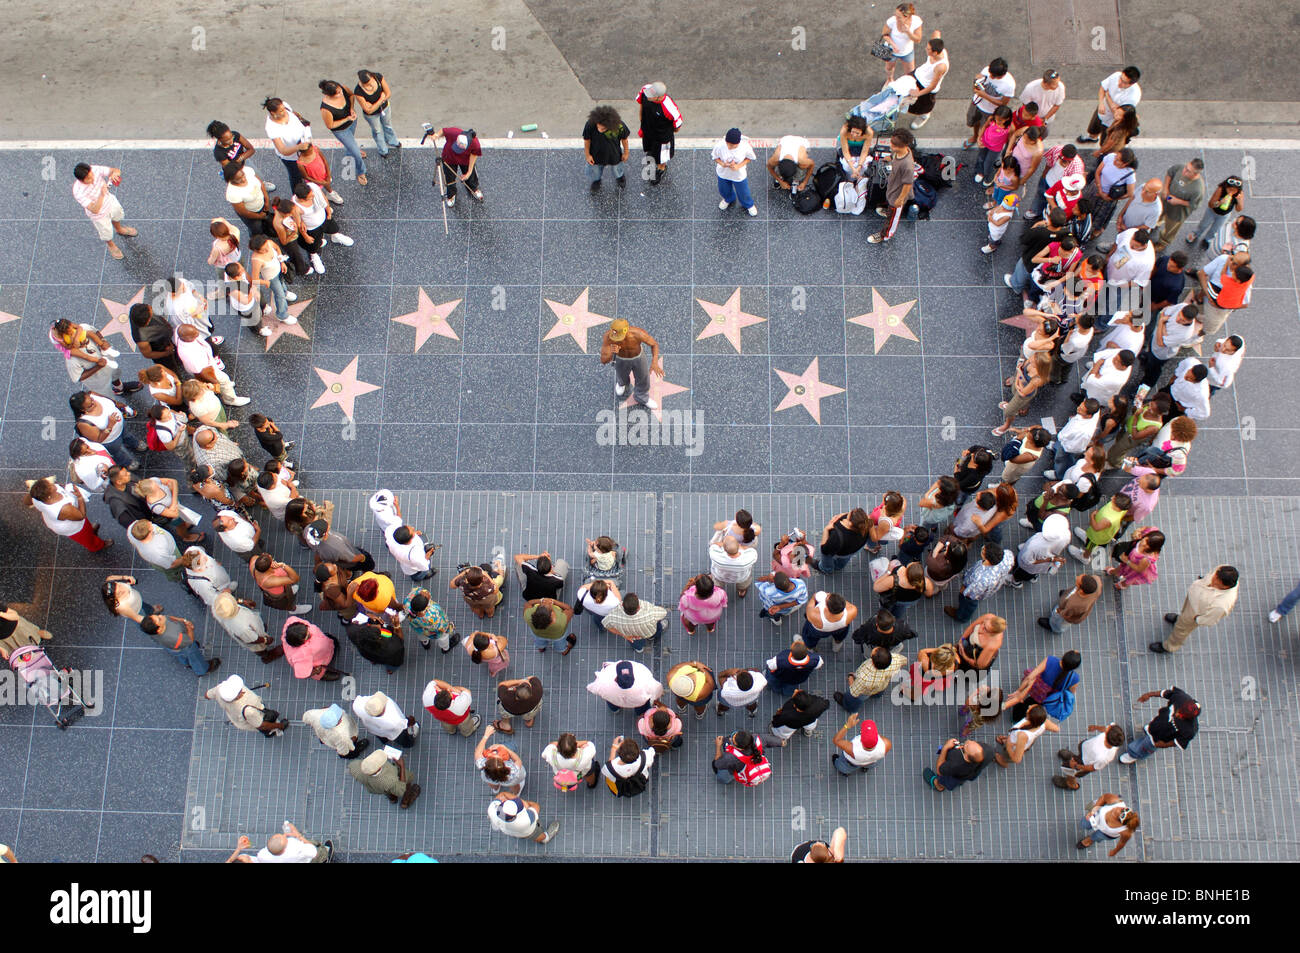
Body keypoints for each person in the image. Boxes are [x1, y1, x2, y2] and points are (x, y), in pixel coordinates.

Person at [1151, 565, 1239, 655]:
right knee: (1183, 614)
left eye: (1217, 581)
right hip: (1193, 598)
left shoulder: (1221, 605)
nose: (1213, 579)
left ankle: (1170, 646)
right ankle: (1179, 619)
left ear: (1225, 587)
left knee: (1181, 631)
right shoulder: (1222, 570)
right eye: (1215, 576)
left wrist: (1196, 619)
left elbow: (1209, 620)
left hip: (1195, 613)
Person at [27, 478, 112, 553]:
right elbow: (81, 516)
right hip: (73, 527)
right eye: (50, 486)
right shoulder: (63, 509)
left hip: (68, 519)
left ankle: (90, 530)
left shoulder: (37, 497)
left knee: (86, 527)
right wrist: (79, 497)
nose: (52, 484)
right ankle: (98, 546)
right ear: (49, 495)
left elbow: (26, 501)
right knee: (87, 539)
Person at [72, 162, 136, 258]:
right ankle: (111, 246)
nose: (93, 179)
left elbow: (115, 170)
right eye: (88, 179)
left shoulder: (94, 169)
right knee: (106, 233)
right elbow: (94, 210)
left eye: (92, 175)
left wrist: (114, 174)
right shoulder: (78, 191)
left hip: (110, 202)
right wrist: (101, 194)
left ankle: (119, 229)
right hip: (99, 216)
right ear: (81, 181)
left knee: (117, 216)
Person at [1121, 686, 1199, 764]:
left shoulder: (1190, 730)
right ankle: (1149, 731)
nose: (1177, 714)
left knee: (1144, 747)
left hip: (1159, 739)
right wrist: (1149, 694)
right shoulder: (1181, 697)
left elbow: (1176, 742)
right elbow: (1165, 693)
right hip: (1155, 724)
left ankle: (1133, 755)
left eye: (1182, 715)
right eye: (1179, 710)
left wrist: (1161, 744)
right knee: (1149, 731)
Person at [599, 318, 663, 409]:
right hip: (620, 359)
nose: (616, 339)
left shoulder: (638, 334)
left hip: (638, 357)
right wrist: (612, 353)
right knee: (621, 375)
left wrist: (655, 362)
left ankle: (642, 397)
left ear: (626, 330)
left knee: (643, 377)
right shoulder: (608, 337)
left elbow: (654, 344)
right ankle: (622, 384)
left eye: (619, 336)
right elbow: (603, 360)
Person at [1004, 650, 1082, 723]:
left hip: (1036, 686)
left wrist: (1019, 690)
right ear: (1074, 667)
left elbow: (1030, 677)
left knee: (1024, 701)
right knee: (1031, 704)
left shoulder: (1051, 660)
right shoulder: (1074, 678)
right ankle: (1018, 718)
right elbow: (1071, 693)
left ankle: (1016, 711)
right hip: (1047, 696)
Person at [868, 130, 915, 244]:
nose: (891, 145)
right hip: (893, 186)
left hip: (898, 194)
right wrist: (890, 157)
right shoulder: (902, 152)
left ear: (902, 146)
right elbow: (895, 155)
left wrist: (900, 199)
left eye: (894, 145)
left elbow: (908, 184)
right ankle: (888, 211)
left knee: (892, 218)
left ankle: (885, 235)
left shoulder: (907, 165)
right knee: (890, 204)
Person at [318, 79, 367, 186]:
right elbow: (330, 125)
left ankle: (353, 149)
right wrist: (347, 119)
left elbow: (351, 95)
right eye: (337, 94)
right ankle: (361, 171)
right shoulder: (326, 108)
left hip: (352, 122)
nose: (341, 94)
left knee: (351, 142)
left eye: (340, 91)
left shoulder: (342, 88)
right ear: (330, 95)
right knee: (355, 153)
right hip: (341, 130)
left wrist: (351, 108)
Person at [205, 674, 287, 737]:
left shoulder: (220, 689)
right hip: (253, 718)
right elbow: (262, 725)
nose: (243, 690)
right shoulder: (248, 711)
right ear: (236, 696)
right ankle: (274, 732)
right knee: (266, 727)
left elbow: (207, 695)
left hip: (237, 718)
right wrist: (280, 726)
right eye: (240, 691)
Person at [140, 611, 220, 676]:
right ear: (159, 630)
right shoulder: (175, 638)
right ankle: (202, 669)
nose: (161, 616)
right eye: (159, 619)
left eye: (157, 615)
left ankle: (186, 662)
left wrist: (182, 620)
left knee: (180, 655)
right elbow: (190, 640)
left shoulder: (153, 630)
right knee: (193, 655)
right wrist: (189, 628)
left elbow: (169, 618)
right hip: (185, 646)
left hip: (173, 647)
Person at [1078, 66, 1142, 144]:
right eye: (1120, 78)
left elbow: (1117, 113)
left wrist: (1108, 97)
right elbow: (1103, 88)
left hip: (1112, 121)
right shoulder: (1116, 75)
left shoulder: (1133, 96)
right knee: (1093, 128)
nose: (1119, 83)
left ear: (1131, 84)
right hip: (1102, 109)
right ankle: (1092, 138)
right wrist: (1101, 103)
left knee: (1105, 142)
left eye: (1124, 82)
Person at [961, 57, 1015, 149]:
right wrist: (976, 82)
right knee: (973, 121)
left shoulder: (1009, 84)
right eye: (990, 74)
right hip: (977, 103)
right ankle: (974, 137)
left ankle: (982, 140)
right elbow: (977, 82)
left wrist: (984, 95)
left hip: (990, 111)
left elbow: (1003, 104)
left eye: (993, 76)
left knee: (985, 128)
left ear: (1002, 75)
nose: (990, 77)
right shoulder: (987, 70)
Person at [636, 81, 684, 184]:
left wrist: (666, 133)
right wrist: (642, 126)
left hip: (662, 138)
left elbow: (677, 126)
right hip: (648, 131)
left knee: (662, 157)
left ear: (659, 97)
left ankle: (661, 169)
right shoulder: (645, 90)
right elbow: (641, 107)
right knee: (650, 150)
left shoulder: (669, 107)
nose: (647, 96)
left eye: (651, 96)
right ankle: (653, 155)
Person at [835, 646, 906, 713]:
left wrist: (850, 676)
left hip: (866, 692)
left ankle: (849, 707)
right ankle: (876, 695)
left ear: (873, 662)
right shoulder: (896, 659)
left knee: (854, 698)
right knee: (879, 690)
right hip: (882, 684)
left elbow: (854, 691)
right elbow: (904, 661)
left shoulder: (864, 677)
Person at [262, 98, 314, 189]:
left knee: (309, 167)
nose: (285, 111)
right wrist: (299, 147)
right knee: (295, 176)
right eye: (281, 110)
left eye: (284, 108)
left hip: (304, 144)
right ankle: (298, 195)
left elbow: (295, 113)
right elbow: (283, 150)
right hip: (292, 157)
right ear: (273, 113)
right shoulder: (271, 128)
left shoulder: (285, 106)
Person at [1054, 722, 1124, 790]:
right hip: (1085, 750)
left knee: (1071, 771)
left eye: (1108, 729)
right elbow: (1105, 728)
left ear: (1107, 737)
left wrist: (1076, 766)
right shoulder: (1113, 731)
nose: (1107, 727)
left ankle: (1071, 783)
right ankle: (1072, 757)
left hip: (1084, 763)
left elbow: (1093, 767)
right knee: (1077, 758)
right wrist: (1096, 727)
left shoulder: (1103, 757)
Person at [1156, 159, 1205, 249]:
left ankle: (1163, 242)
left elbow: (1195, 205)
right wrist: (1165, 188)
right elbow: (1170, 173)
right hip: (1165, 201)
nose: (1184, 171)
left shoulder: (1198, 189)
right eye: (1186, 167)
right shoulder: (1180, 167)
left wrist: (1178, 201)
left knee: (1170, 229)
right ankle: (1156, 223)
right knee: (1158, 214)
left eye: (1188, 171)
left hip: (1178, 212)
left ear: (1195, 174)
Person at [349, 749, 422, 809]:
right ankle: (406, 801)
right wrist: (402, 766)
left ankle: (392, 798)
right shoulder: (388, 780)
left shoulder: (354, 766)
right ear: (378, 769)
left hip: (375, 788)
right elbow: (401, 790)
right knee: (404, 785)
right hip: (390, 783)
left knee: (387, 790)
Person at [1186, 175, 1244, 249]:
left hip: (1224, 215)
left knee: (1215, 229)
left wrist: (1239, 201)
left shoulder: (1239, 195)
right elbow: (1210, 204)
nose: (1232, 191)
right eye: (1230, 189)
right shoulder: (1221, 189)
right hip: (1212, 212)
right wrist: (1220, 202)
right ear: (1226, 186)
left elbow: (1239, 209)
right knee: (1204, 224)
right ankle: (1196, 233)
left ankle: (1208, 239)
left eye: (1234, 190)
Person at [431, 126, 483, 206]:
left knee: (471, 175)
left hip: (465, 160)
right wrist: (437, 135)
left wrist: (469, 172)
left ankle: (473, 188)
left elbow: (474, 155)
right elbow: (443, 131)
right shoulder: (454, 132)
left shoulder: (475, 143)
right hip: (449, 158)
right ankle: (451, 195)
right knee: (450, 178)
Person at [587, 659, 662, 714]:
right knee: (642, 708)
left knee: (612, 703)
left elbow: (593, 688)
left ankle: (615, 710)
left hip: (614, 699)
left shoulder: (605, 678)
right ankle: (640, 713)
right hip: (638, 702)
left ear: (616, 678)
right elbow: (657, 689)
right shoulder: (643, 675)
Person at [994, 705, 1059, 767]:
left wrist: (1008, 746)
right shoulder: (1043, 721)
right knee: (1017, 743)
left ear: (1029, 717)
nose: (1029, 706)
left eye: (1029, 709)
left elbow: (1017, 759)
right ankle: (1007, 741)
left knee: (1007, 756)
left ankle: (1004, 762)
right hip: (1021, 742)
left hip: (1014, 747)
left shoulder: (1023, 735)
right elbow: (1057, 729)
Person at [809, 507, 871, 573]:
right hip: (854, 549)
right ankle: (839, 566)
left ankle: (826, 569)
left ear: (850, 523)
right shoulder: (866, 523)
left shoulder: (837, 536)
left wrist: (826, 529)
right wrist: (840, 516)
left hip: (841, 550)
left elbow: (825, 550)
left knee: (827, 556)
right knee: (844, 559)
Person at [354, 70, 400, 157]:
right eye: (366, 84)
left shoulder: (378, 77)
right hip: (372, 116)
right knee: (377, 131)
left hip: (385, 108)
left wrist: (373, 105)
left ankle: (392, 141)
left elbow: (388, 93)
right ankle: (383, 150)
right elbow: (368, 111)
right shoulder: (358, 91)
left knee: (388, 125)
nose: (369, 85)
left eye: (370, 82)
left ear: (372, 76)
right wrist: (381, 100)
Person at [906, 33, 948, 129]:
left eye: (928, 49)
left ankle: (924, 116)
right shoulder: (937, 49)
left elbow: (932, 86)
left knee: (923, 106)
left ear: (935, 53)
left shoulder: (940, 66)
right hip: (917, 75)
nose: (926, 49)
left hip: (926, 87)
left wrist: (918, 93)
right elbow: (937, 33)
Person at [583, 104, 630, 191]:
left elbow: (624, 139)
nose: (600, 129)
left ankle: (620, 177)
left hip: (614, 154)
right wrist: (587, 155)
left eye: (603, 128)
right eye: (598, 126)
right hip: (596, 154)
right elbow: (587, 140)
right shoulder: (590, 124)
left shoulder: (620, 127)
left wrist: (626, 153)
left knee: (617, 168)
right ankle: (596, 181)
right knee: (596, 171)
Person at [712, 127, 758, 215]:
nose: (729, 147)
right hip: (723, 173)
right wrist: (722, 164)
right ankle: (728, 199)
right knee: (723, 189)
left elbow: (749, 158)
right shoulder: (720, 145)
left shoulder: (745, 147)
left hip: (738, 175)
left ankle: (748, 205)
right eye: (728, 144)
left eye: (732, 146)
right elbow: (715, 157)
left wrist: (738, 166)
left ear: (738, 143)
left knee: (744, 192)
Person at [602, 592, 668, 652]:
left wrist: (624, 635)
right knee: (657, 626)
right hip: (648, 632)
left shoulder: (613, 616)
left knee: (635, 643)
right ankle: (651, 637)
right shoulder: (649, 612)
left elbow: (605, 624)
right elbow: (663, 612)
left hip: (631, 636)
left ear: (622, 605)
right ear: (638, 607)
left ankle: (639, 649)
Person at [488, 794, 559, 843]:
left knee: (517, 833)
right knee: (536, 834)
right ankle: (545, 838)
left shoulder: (492, 809)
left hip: (506, 830)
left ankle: (519, 836)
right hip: (527, 831)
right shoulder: (525, 820)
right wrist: (525, 803)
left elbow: (502, 795)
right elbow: (536, 806)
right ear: (514, 815)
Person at [880, 4, 923, 81]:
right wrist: (892, 44)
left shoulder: (916, 21)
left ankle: (907, 85)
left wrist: (908, 32)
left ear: (906, 17)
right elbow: (884, 34)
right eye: (895, 15)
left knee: (910, 71)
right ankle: (889, 80)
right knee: (889, 67)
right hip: (890, 49)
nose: (896, 18)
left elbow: (918, 39)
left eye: (899, 17)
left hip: (907, 51)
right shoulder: (891, 21)